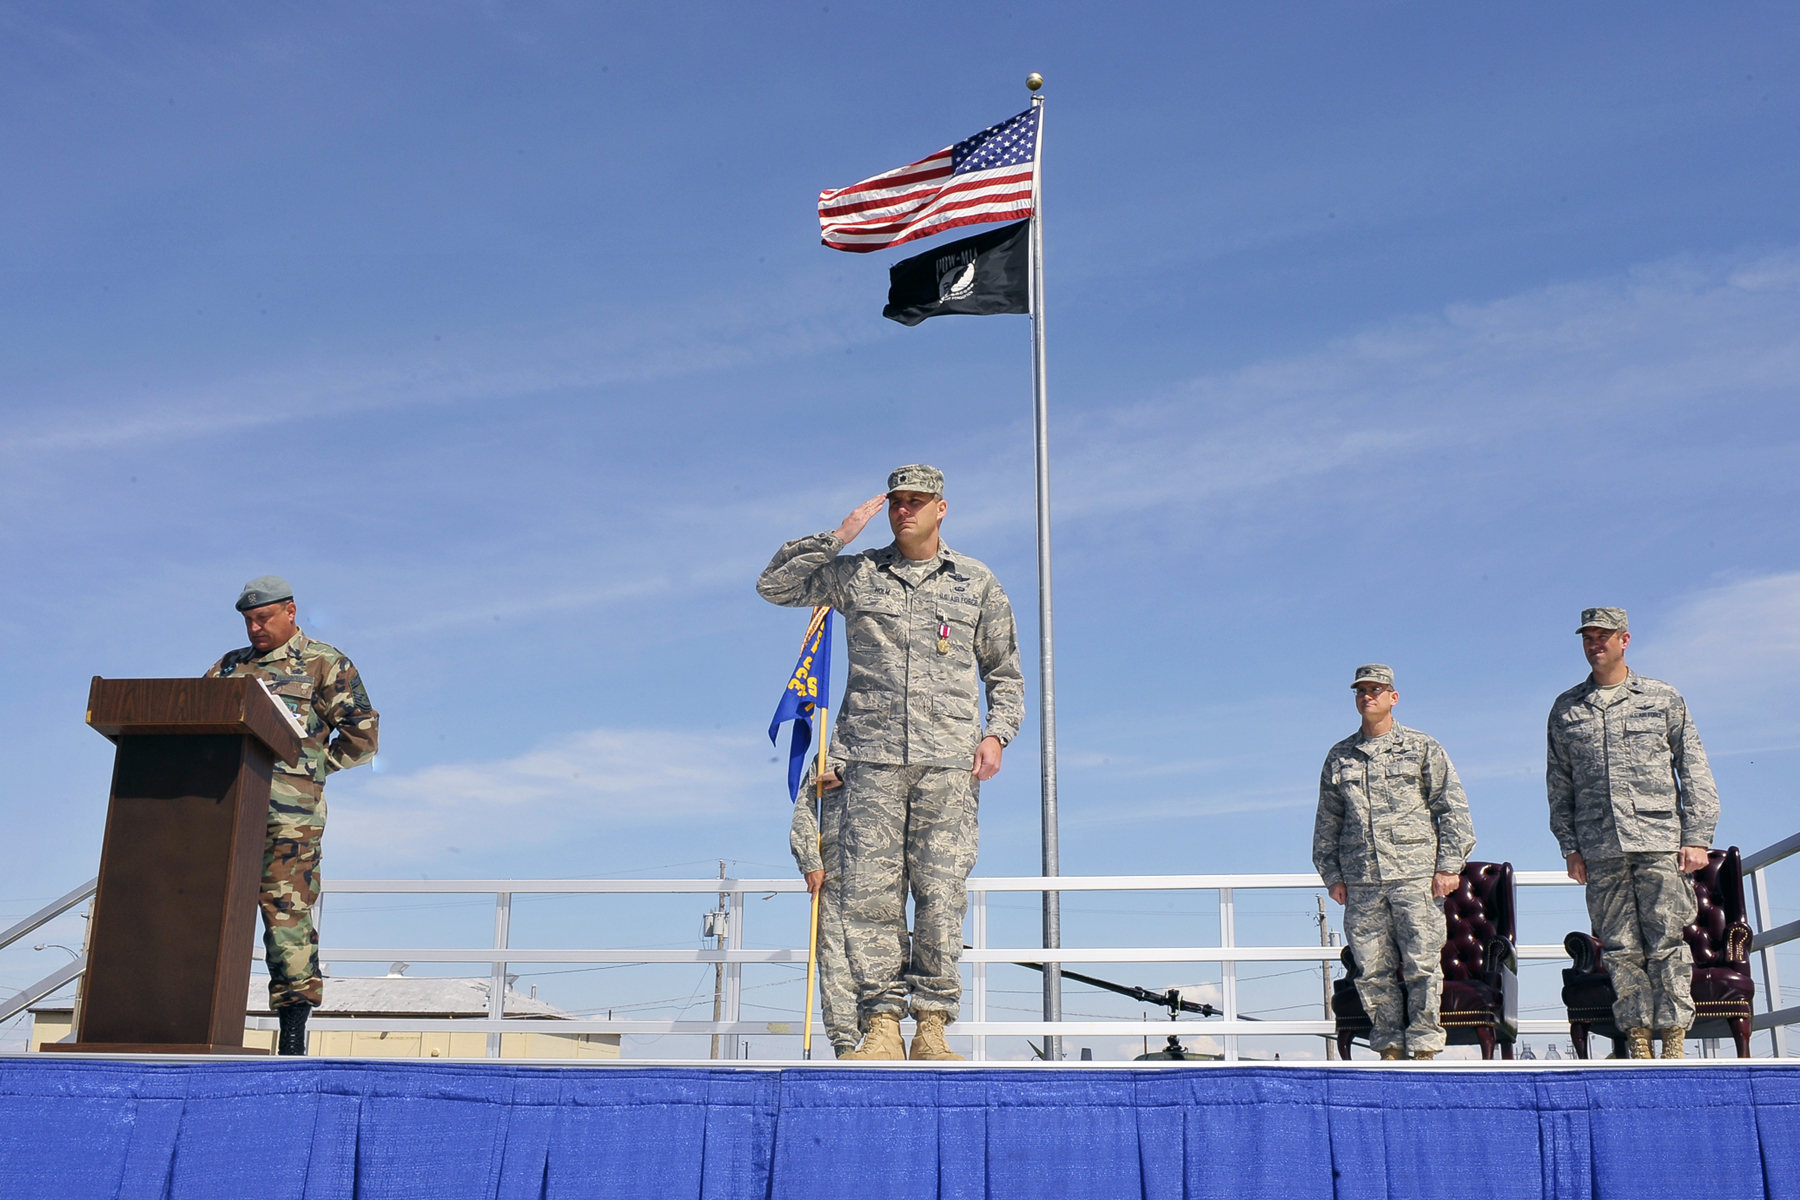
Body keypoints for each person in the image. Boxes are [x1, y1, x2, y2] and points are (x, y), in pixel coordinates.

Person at [757, 465, 1024, 1061]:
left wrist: (998, 736)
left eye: (917, 501)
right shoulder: (858, 576)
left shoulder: (976, 582)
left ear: (941, 507)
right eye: (896, 502)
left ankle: (931, 1024)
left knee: (940, 892)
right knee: (870, 898)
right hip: (870, 761)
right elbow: (774, 586)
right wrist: (840, 536)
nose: (904, 511)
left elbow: (1004, 672)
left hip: (948, 763)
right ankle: (880, 1023)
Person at [205, 576, 379, 1055]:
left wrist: (311, 766)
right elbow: (197, 716)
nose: (255, 627)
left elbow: (363, 737)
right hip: (223, 810)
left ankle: (294, 1035)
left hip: (290, 817)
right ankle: (198, 1025)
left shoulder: (324, 662)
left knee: (287, 920)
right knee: (208, 914)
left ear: (291, 612)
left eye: (263, 618)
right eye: (248, 620)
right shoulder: (229, 666)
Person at [1547, 607, 1718, 1060]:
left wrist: (1697, 835)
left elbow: (1694, 767)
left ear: (1625, 640)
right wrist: (1570, 846)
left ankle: (1675, 1035)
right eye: (1588, 637)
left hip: (1659, 840)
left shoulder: (1661, 697)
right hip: (1601, 847)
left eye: (1604, 636)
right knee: (1621, 948)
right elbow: (1558, 784)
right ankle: (1637, 1035)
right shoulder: (1567, 709)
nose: (1595, 644)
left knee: (1666, 941)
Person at [1313, 664, 1476, 1061]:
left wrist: (1448, 867)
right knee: (1370, 970)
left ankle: (1423, 1045)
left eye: (1376, 689)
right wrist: (1332, 874)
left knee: (1422, 964)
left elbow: (1452, 809)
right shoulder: (1340, 757)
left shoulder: (1422, 747)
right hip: (1363, 880)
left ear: (1393, 697)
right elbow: (1327, 823)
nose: (1368, 696)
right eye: (1361, 691)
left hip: (1415, 878)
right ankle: (1387, 1045)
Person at [788, 746, 867, 1057]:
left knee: (882, 959)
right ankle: (845, 1045)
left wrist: (848, 775)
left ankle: (881, 1034)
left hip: (884, 875)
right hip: (834, 871)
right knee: (834, 961)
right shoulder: (828, 750)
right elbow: (805, 809)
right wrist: (809, 858)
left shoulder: (897, 746)